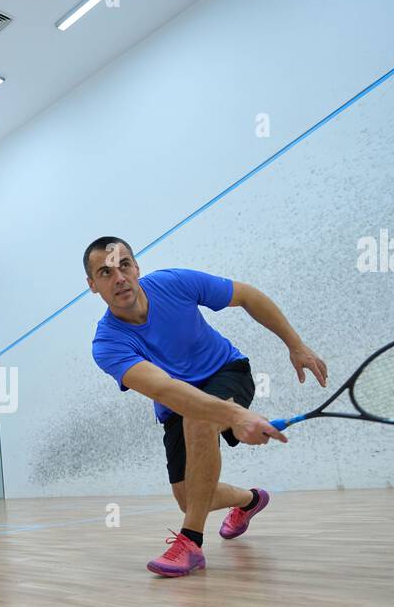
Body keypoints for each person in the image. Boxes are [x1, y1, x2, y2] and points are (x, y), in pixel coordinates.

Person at [85, 236, 327, 577]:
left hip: (226, 372)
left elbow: (246, 295)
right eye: (106, 272)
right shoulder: (107, 343)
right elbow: (166, 389)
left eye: (124, 265)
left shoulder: (174, 283)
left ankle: (190, 543)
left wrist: (295, 344)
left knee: (197, 420)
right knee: (192, 499)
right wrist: (237, 416)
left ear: (136, 267)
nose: (119, 277)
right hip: (176, 404)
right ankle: (250, 500)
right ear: (93, 285)